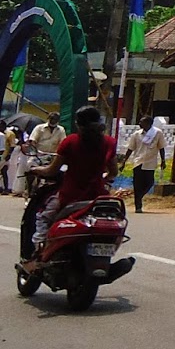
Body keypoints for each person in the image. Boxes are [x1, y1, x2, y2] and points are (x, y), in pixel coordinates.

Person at [18, 106, 117, 276]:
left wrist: (36, 170)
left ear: (79, 124)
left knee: (42, 217)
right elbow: (113, 172)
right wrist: (104, 177)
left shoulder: (71, 141)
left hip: (70, 196)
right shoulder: (109, 142)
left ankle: (38, 253)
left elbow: (51, 171)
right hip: (98, 196)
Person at [119, 115, 166, 213]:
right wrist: (124, 162)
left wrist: (163, 160)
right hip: (138, 162)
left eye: (142, 122)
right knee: (137, 185)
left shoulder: (157, 133)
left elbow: (161, 147)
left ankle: (139, 196)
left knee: (149, 183)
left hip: (150, 162)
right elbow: (130, 149)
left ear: (149, 123)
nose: (140, 124)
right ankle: (138, 206)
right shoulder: (136, 134)